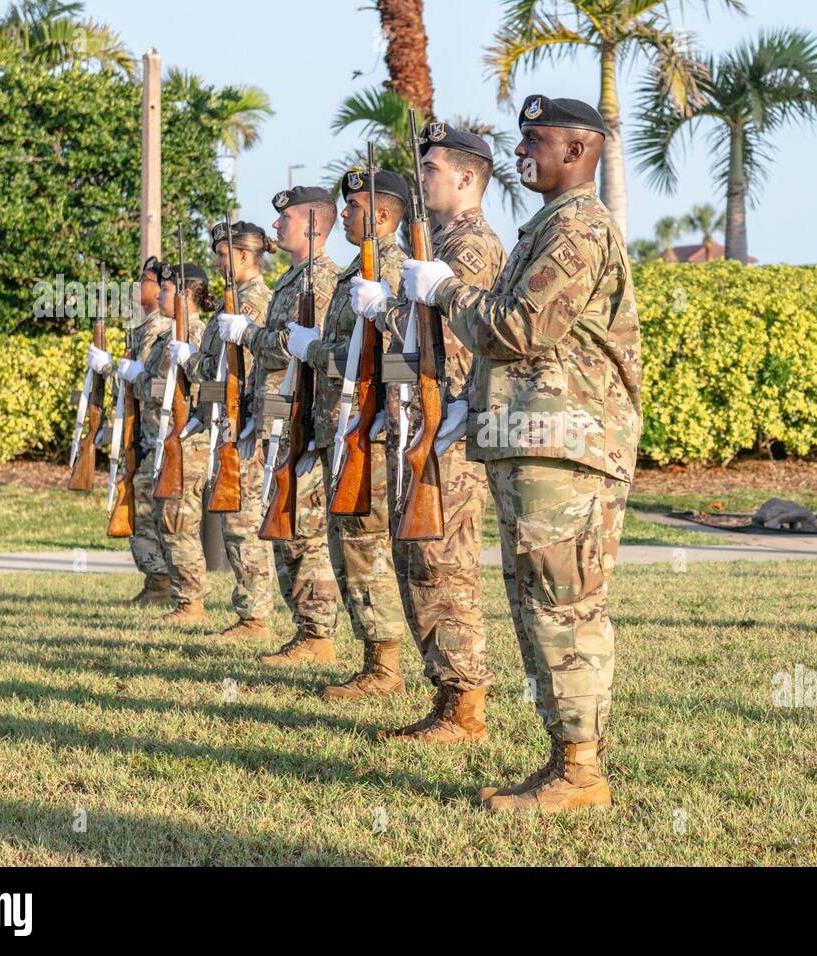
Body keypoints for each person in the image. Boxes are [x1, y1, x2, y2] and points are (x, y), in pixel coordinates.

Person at [401, 94, 642, 812]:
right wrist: (472, 409)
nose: (520, 152)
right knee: (538, 608)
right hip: (530, 440)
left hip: (565, 447)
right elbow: (515, 351)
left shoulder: (579, 231)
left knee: (564, 609)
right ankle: (564, 761)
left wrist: (447, 291)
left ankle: (581, 773)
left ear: (578, 152)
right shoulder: (546, 228)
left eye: (535, 140)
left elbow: (519, 329)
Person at [353, 123, 507, 743]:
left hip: (450, 426)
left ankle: (465, 707)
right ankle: (448, 695)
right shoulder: (435, 241)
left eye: (433, 169)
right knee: (418, 558)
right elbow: (412, 341)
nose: (421, 179)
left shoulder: (469, 246)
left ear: (467, 178)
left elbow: (449, 335)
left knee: (445, 565)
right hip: (418, 418)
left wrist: (381, 308)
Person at [282, 169, 415, 700]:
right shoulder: (356, 275)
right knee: (347, 545)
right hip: (337, 428)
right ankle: (372, 660)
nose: (343, 214)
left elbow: (398, 357)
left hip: (372, 432)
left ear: (381, 216)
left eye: (354, 206)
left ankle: (386, 666)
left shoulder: (395, 272)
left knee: (364, 545)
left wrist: (312, 350)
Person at [216, 187, 344, 663]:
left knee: (306, 529)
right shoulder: (293, 281)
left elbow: (289, 349)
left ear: (312, 224)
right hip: (279, 419)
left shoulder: (325, 281)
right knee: (285, 526)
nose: (275, 227)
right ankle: (307, 632)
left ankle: (318, 634)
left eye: (284, 218)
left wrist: (250, 335)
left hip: (307, 420)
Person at [173, 221, 276, 640]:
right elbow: (217, 371)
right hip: (224, 420)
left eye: (224, 254)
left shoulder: (251, 303)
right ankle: (249, 613)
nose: (218, 262)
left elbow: (240, 371)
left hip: (243, 422)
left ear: (246, 256)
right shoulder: (232, 303)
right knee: (234, 519)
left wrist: (191, 363)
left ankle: (255, 617)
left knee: (243, 522)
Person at [115, 261, 213, 624]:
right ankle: (173, 592)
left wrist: (133, 376)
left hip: (186, 441)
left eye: (168, 290)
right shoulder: (170, 337)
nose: (160, 294)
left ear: (186, 295)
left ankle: (192, 602)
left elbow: (172, 389)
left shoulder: (199, 335)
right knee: (166, 521)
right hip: (161, 440)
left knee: (178, 522)